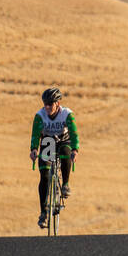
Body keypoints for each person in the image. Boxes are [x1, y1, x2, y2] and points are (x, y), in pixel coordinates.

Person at [29, 87, 79, 229]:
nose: (47, 107)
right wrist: (33, 149)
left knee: (65, 152)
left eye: (50, 104)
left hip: (64, 140)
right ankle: (43, 213)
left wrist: (75, 150)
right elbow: (35, 135)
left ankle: (65, 184)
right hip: (48, 142)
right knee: (44, 175)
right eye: (45, 104)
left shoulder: (66, 114)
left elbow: (74, 134)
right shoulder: (40, 116)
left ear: (57, 103)